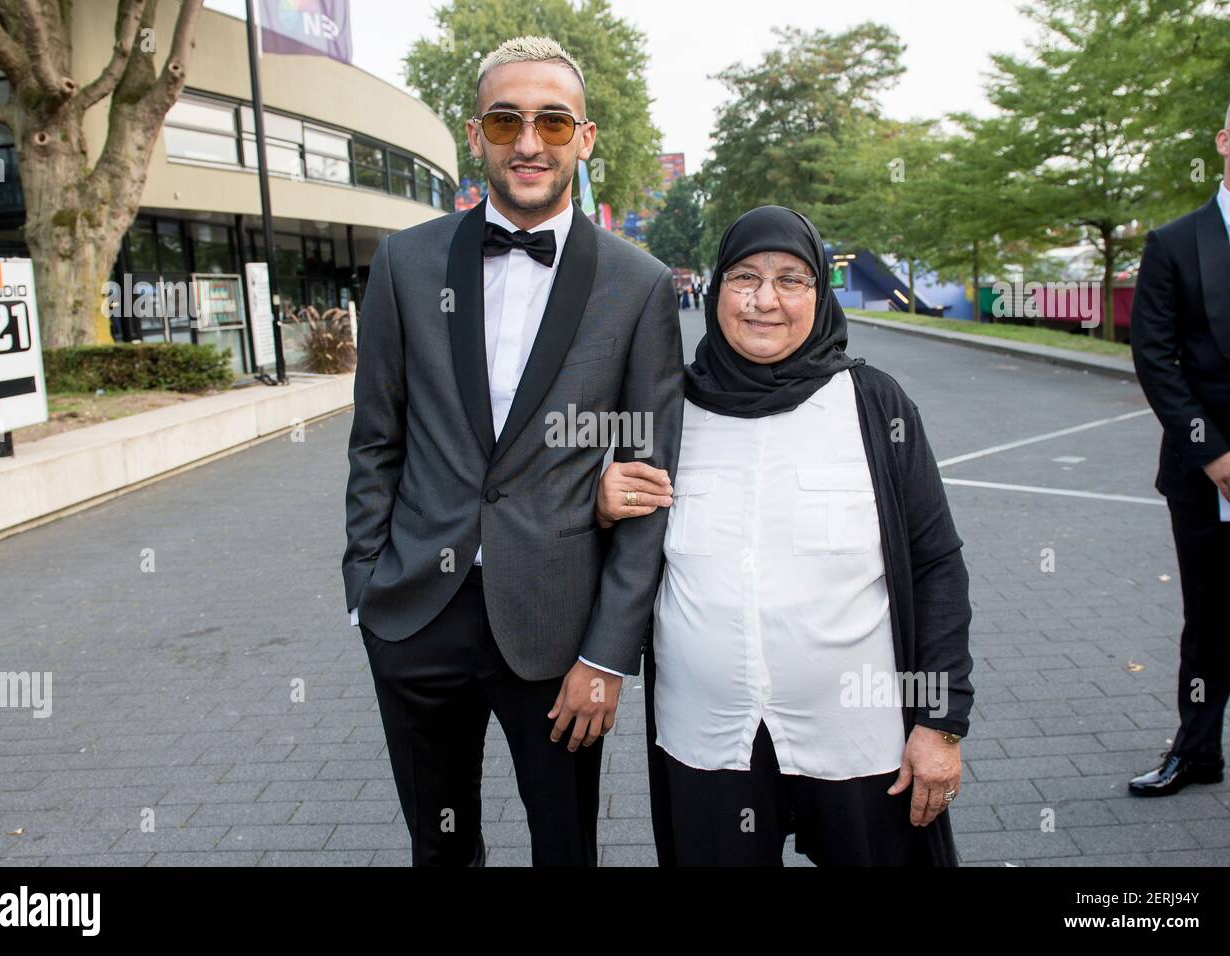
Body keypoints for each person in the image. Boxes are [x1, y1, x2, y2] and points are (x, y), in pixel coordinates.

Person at [342, 35, 683, 865]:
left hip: (559, 630)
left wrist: (608, 653)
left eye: (552, 123)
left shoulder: (637, 285)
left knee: (565, 848)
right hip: (416, 611)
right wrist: (365, 592)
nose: (528, 143)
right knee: (440, 845)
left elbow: (648, 484)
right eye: (506, 121)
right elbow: (375, 442)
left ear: (585, 138)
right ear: (476, 135)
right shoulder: (405, 263)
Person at [595, 205, 974, 865]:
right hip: (708, 739)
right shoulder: (668, 411)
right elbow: (617, 551)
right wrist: (600, 507)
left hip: (859, 737)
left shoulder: (875, 405)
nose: (765, 300)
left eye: (791, 280)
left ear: (818, 294)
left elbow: (936, 564)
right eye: (745, 277)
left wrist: (940, 723)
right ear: (716, 292)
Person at [1129, 88, 1230, 797]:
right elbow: (1155, 356)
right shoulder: (1173, 242)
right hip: (1208, 472)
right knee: (1208, 623)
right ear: (1223, 140)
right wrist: (1210, 450)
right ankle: (1197, 751)